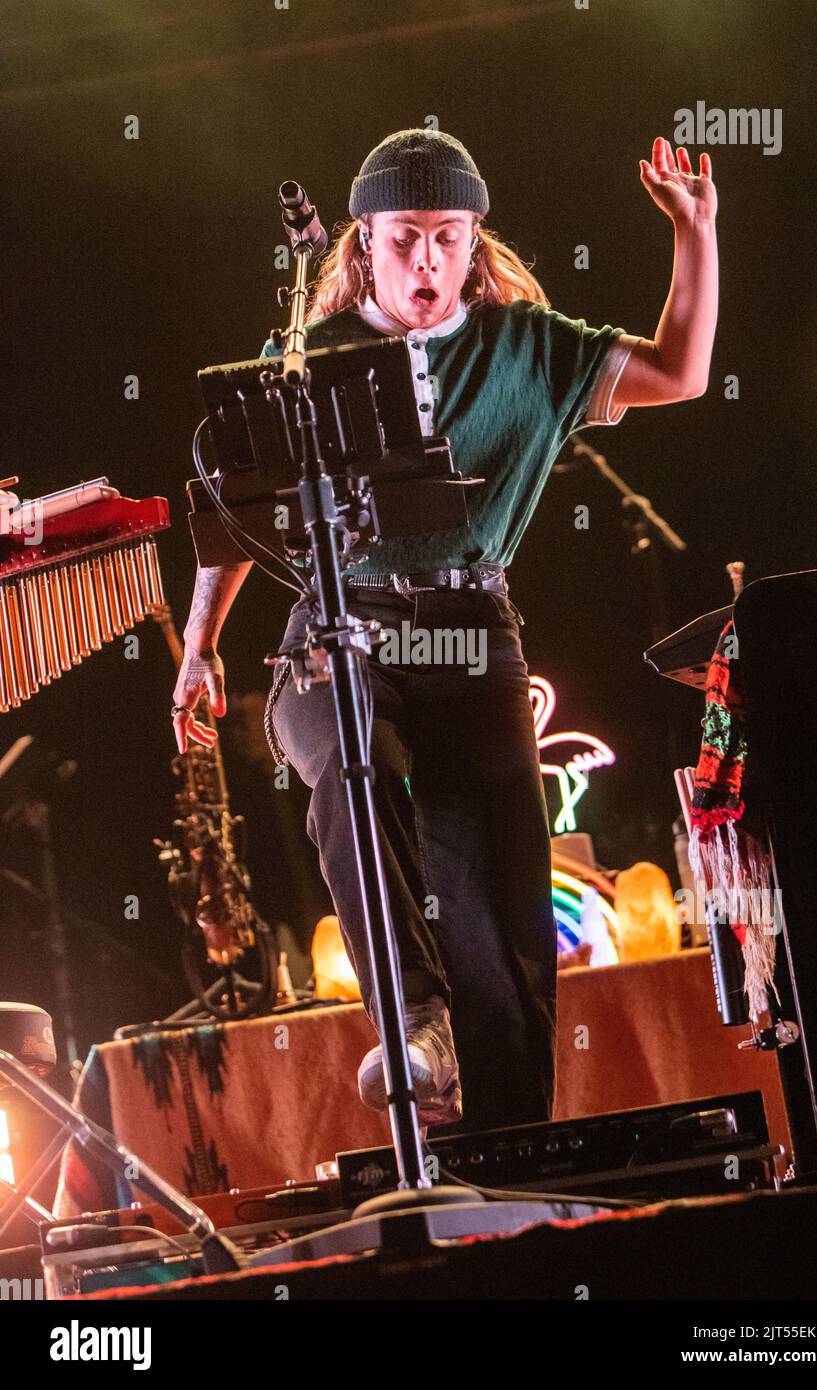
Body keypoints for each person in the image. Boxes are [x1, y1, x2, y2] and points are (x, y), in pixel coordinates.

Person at [173, 129, 718, 1133]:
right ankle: (414, 1016)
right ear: (362, 244)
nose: (425, 258)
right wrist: (199, 645)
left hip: (470, 630)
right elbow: (239, 513)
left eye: (446, 237)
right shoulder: (305, 356)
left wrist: (696, 232)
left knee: (499, 893)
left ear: (473, 242)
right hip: (338, 628)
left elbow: (680, 371)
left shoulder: (529, 346)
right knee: (349, 757)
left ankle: (513, 1144)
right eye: (403, 238)